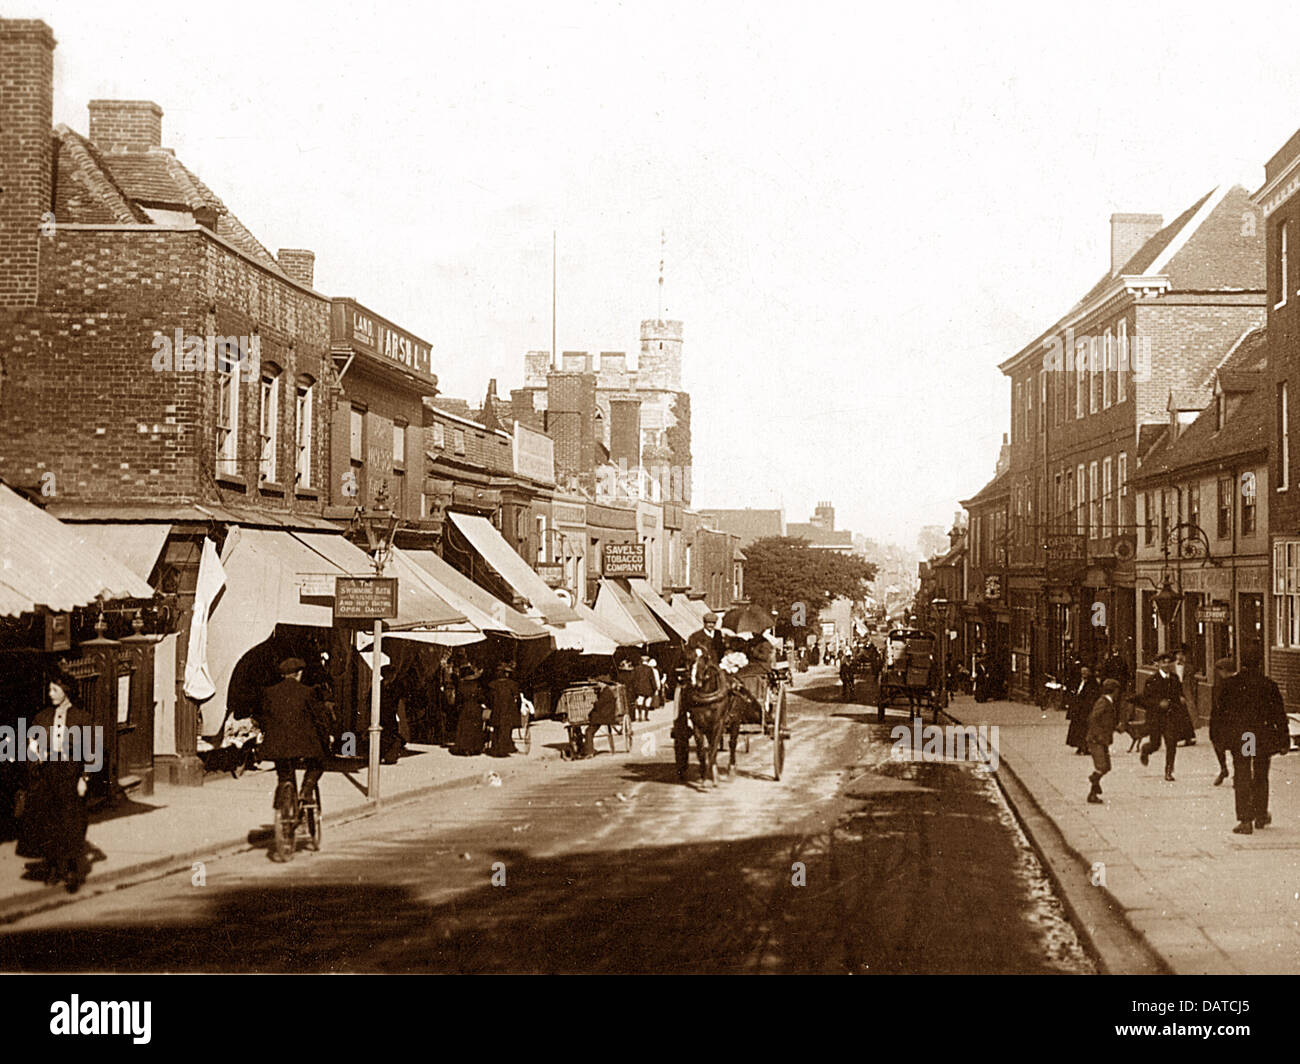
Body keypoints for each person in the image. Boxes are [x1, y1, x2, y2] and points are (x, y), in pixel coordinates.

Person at [15, 669, 93, 891]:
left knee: (70, 822)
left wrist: (84, 778)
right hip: (49, 774)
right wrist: (37, 755)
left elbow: (90, 751)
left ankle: (69, 869)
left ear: (65, 691)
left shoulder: (82, 717)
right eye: (50, 689)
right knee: (48, 824)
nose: (50, 693)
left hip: (71, 774)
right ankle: (51, 868)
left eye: (54, 689)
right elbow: (31, 744)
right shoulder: (42, 717)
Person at [254, 658, 329, 862]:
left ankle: (286, 795)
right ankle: (305, 792)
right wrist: (326, 741)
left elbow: (263, 718)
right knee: (318, 764)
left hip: (276, 747)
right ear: (298, 674)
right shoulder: (308, 692)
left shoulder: (269, 693)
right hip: (304, 745)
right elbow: (319, 720)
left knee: (284, 773)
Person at [1218, 644, 1289, 834]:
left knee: (1242, 773)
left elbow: (1220, 714)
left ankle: (1245, 819)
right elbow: (1279, 715)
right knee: (1260, 774)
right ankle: (1260, 814)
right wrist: (1284, 739)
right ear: (1260, 663)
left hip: (1243, 737)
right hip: (1262, 736)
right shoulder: (1268, 685)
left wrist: (1220, 738)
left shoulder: (1231, 685)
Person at [1139, 651, 1186, 781]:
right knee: (1155, 744)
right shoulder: (1151, 680)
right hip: (1156, 717)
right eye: (1163, 662)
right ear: (1158, 664)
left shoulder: (1175, 679)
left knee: (1171, 743)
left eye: (1168, 663)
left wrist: (1181, 698)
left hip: (1171, 716)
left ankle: (1169, 771)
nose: (1165, 665)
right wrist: (1158, 703)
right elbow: (1145, 700)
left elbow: (1179, 694)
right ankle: (1146, 749)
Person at [1086, 679, 1123, 804]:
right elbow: (1093, 718)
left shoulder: (1109, 702)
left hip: (1102, 740)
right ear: (1114, 691)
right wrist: (1098, 735)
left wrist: (1116, 728)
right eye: (1118, 691)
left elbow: (1106, 721)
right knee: (1102, 766)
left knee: (1106, 766)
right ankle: (1093, 791)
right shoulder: (1103, 702)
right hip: (1097, 740)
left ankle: (1094, 785)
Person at [1209, 657, 1236, 787]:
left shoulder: (1223, 685)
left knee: (1220, 745)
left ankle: (1224, 768)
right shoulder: (1238, 682)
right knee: (1239, 749)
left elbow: (1218, 706)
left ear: (1223, 671)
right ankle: (1239, 773)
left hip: (1225, 723)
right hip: (1235, 723)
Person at [486, 662, 521, 757]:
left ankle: (496, 747)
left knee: (497, 729)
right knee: (507, 729)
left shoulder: (492, 685)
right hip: (509, 711)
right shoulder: (512, 684)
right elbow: (518, 699)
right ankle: (505, 747)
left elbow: (489, 699)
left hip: (497, 710)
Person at [452, 664, 486, 756]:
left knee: (465, 728)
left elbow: (458, 699)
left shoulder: (461, 686)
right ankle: (474, 748)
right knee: (475, 728)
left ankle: (464, 748)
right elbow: (481, 698)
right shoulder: (477, 686)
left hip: (465, 708)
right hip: (475, 707)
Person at [1066, 664, 1100, 755]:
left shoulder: (1093, 684)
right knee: (1077, 729)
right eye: (1082, 672)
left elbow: (1092, 697)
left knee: (1085, 729)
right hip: (1078, 710)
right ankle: (1079, 746)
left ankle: (1085, 747)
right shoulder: (1079, 681)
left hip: (1086, 710)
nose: (1084, 674)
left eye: (1085, 672)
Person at [1173, 645, 1198, 745]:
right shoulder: (1171, 667)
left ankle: (1189, 736)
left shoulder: (1189, 668)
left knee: (1188, 714)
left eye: (1182, 654)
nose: (1180, 656)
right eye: (1178, 654)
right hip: (1175, 692)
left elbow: (1192, 682)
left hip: (1186, 691)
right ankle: (1180, 737)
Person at [630, 653, 659, 722]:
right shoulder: (649, 669)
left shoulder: (636, 668)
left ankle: (639, 716)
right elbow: (652, 679)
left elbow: (633, 679)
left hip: (639, 689)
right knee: (647, 703)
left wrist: (634, 687)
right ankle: (645, 717)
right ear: (648, 661)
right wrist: (655, 688)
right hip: (649, 689)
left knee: (640, 701)